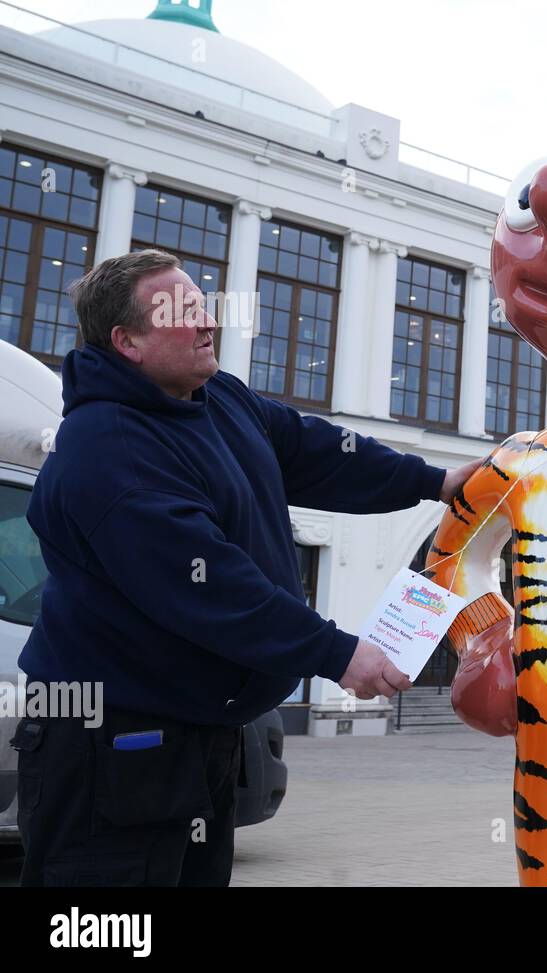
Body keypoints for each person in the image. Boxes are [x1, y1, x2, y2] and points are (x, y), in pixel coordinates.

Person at [12, 248, 483, 886]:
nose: (207, 324)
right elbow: (210, 584)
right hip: (111, 748)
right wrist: (338, 653)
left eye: (203, 307)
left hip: (201, 732)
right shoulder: (107, 449)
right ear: (128, 342)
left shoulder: (217, 399)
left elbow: (316, 450)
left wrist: (436, 480)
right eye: (180, 313)